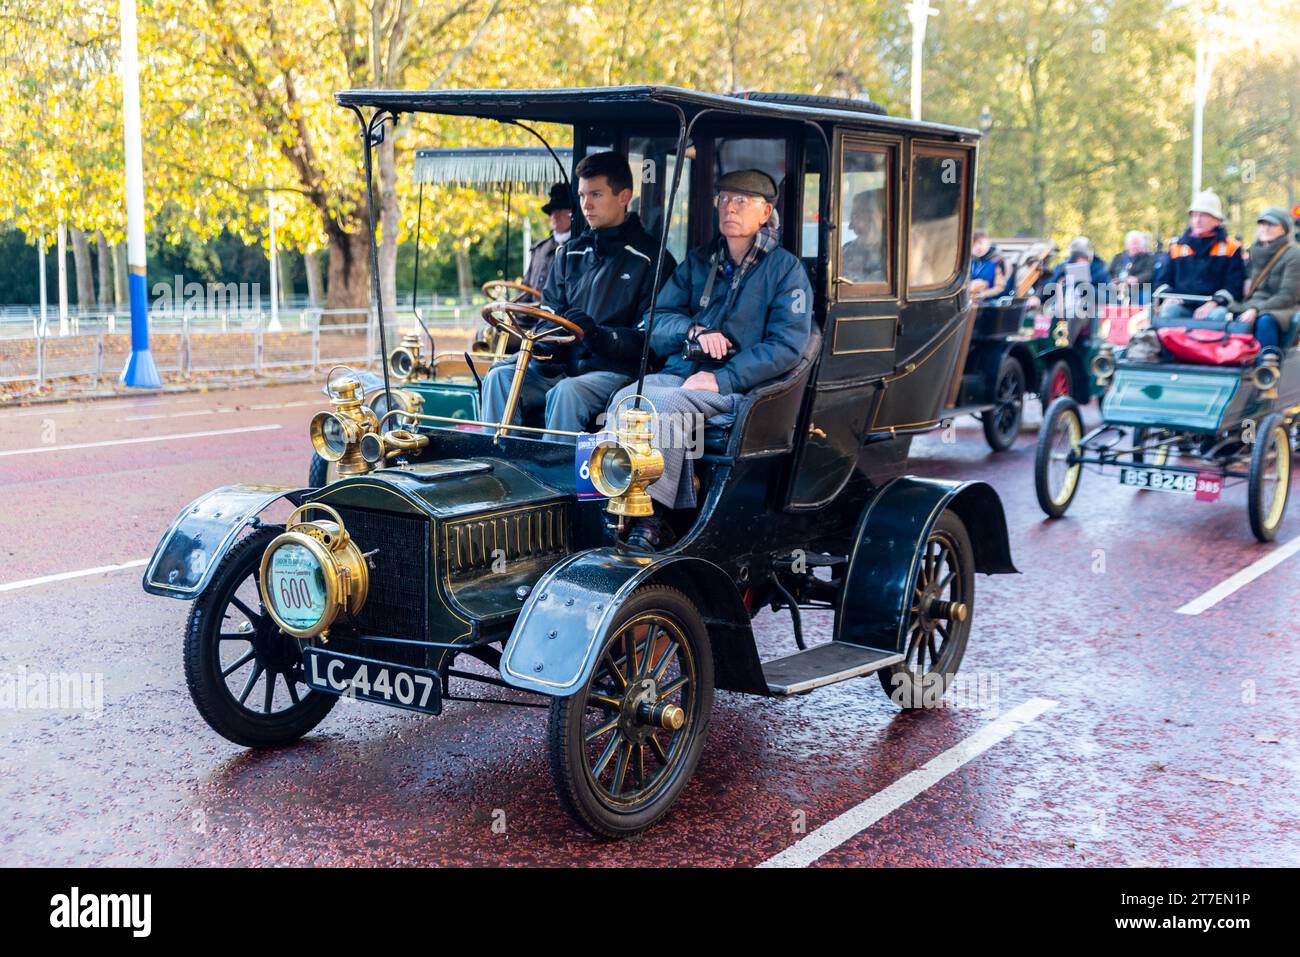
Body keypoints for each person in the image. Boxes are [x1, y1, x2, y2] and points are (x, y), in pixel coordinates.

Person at [603, 169, 813, 551]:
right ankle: (609, 503)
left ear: (766, 213)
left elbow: (786, 347)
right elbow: (654, 319)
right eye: (724, 200)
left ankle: (650, 521)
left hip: (744, 392)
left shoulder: (786, 271)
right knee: (626, 399)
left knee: (663, 405)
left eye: (741, 202)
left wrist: (723, 379)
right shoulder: (700, 261)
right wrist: (693, 332)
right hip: (683, 374)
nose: (729, 208)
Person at [479, 152, 674, 433]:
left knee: (567, 393)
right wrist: (547, 346)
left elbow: (651, 339)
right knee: (499, 377)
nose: (586, 205)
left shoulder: (652, 260)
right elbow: (548, 313)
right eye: (582, 196)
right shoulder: (570, 253)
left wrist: (599, 337)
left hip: (616, 372)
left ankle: (553, 476)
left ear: (624, 197)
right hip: (560, 366)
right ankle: (497, 467)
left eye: (596, 194)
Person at [1207, 206, 1300, 355]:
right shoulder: (1254, 251)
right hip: (1251, 305)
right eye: (1262, 224)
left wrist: (1256, 309)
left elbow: (1287, 296)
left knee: (1265, 321)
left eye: (1271, 225)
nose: (1265, 228)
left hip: (1281, 308)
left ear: (1284, 229)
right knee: (1219, 314)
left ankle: (1266, 367)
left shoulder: (1294, 255)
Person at [1153, 189, 1246, 320]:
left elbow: (1234, 286)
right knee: (1169, 311)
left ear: (1217, 220)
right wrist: (1168, 297)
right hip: (1182, 306)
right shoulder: (1177, 247)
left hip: (1214, 308)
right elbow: (1162, 281)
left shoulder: (1231, 248)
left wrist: (1214, 302)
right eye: (1194, 215)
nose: (1197, 220)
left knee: (1218, 315)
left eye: (1203, 216)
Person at [521, 182, 573, 294]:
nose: (554, 215)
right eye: (552, 211)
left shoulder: (579, 249)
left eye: (559, 210)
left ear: (571, 213)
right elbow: (525, 288)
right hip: (531, 310)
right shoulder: (539, 249)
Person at [840, 190, 885, 282]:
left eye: (856, 216)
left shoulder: (890, 256)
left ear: (872, 217)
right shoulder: (847, 250)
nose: (850, 226)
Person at [1108, 230, 1155, 301]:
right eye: (1132, 243)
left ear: (1141, 245)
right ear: (1127, 244)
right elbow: (1110, 272)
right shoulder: (1118, 258)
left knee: (1145, 296)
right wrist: (1112, 281)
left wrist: (1137, 279)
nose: (1134, 246)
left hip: (1139, 288)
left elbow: (1149, 273)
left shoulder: (1147, 258)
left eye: (1136, 243)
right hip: (1118, 289)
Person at [969, 230, 1010, 300]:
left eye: (980, 243)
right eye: (974, 244)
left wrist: (983, 294)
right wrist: (970, 286)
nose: (977, 247)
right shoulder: (969, 261)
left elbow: (1001, 287)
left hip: (991, 303)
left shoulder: (998, 261)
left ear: (988, 243)